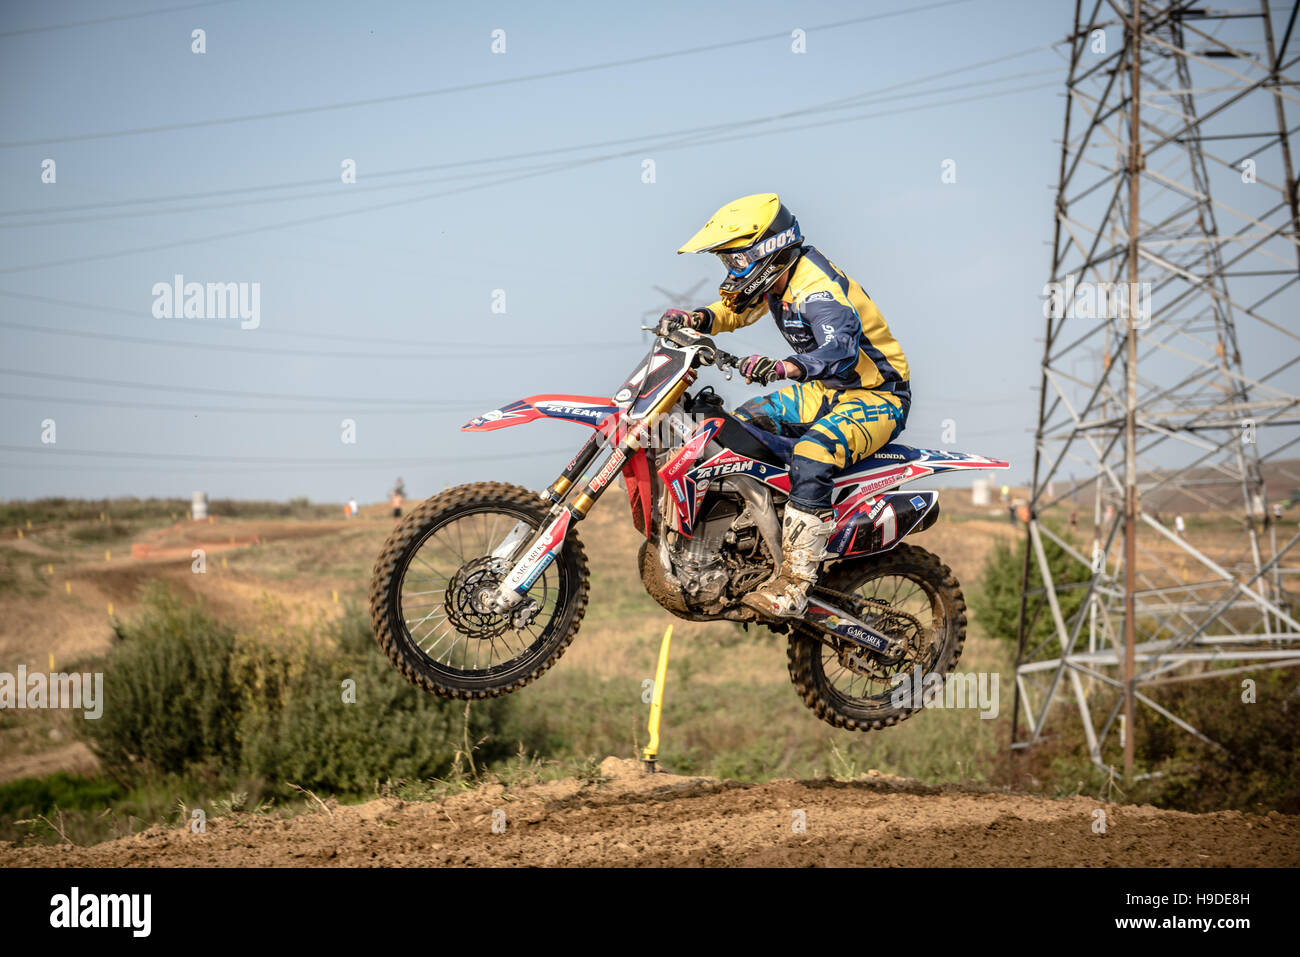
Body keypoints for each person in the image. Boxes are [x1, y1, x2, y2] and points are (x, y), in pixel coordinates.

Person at [659, 193, 910, 618]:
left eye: (736, 261)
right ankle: (754, 539)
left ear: (767, 250)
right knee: (735, 434)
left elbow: (840, 350)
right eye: (727, 262)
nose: (731, 271)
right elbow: (736, 311)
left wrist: (788, 366)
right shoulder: (778, 277)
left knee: (813, 454)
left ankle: (795, 581)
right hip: (823, 390)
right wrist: (697, 319)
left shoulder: (818, 291)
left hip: (874, 394)